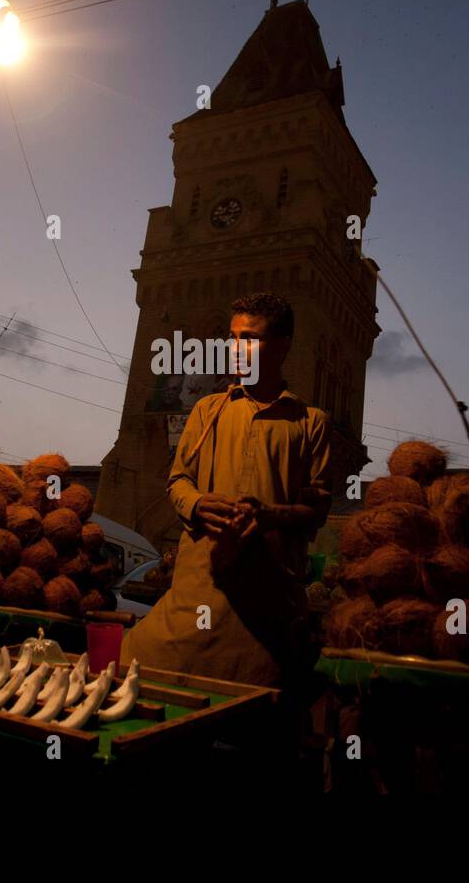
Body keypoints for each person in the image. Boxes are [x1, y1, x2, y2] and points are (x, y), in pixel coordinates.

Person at [121, 292, 332, 691]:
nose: (235, 348)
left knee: (256, 708)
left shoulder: (309, 422)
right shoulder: (208, 409)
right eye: (232, 337)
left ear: (283, 346)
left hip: (268, 602)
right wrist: (199, 504)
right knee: (140, 674)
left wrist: (270, 515)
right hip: (199, 587)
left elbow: (316, 510)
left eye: (249, 339)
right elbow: (178, 480)